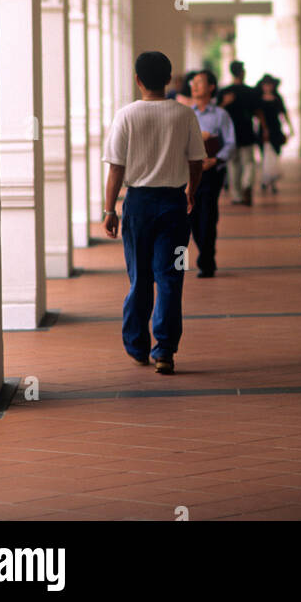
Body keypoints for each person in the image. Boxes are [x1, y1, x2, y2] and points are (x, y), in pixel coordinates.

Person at [102, 50, 205, 375]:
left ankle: (136, 344)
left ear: (137, 79)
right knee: (171, 278)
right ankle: (165, 350)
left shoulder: (127, 115)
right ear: (169, 78)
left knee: (139, 278)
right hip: (174, 207)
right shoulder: (184, 114)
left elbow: (116, 169)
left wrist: (109, 209)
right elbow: (197, 162)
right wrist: (190, 192)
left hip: (138, 206)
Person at [186, 69, 236, 278]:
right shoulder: (187, 113)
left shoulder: (220, 115)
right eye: (193, 83)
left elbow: (231, 142)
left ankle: (206, 261)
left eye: (199, 82)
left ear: (211, 87)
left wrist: (215, 160)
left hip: (211, 173)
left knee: (207, 215)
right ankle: (198, 257)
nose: (194, 86)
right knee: (191, 217)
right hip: (188, 172)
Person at [219, 60, 259, 206]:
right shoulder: (250, 91)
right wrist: (264, 128)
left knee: (233, 164)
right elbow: (257, 111)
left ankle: (236, 196)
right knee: (249, 162)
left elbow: (218, 111)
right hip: (247, 131)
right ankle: (246, 184)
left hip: (229, 133)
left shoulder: (225, 92)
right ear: (242, 72)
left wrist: (225, 103)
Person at [254, 73, 292, 194]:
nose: (267, 87)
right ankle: (266, 179)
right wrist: (264, 128)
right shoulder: (259, 99)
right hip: (264, 130)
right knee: (264, 155)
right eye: (265, 85)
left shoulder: (277, 98)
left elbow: (283, 113)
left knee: (275, 153)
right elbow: (258, 115)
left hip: (276, 129)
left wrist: (289, 127)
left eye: (269, 84)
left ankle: (272, 181)